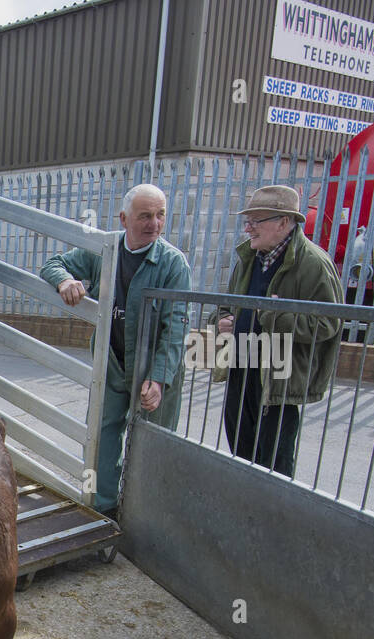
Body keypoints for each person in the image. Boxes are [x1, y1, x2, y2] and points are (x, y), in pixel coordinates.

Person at [40, 184, 192, 516]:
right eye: (145, 216)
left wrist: (160, 378)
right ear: (124, 219)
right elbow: (53, 263)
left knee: (153, 442)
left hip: (153, 365)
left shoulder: (173, 264)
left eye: (160, 215)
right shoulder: (104, 251)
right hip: (111, 361)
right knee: (103, 437)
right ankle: (103, 509)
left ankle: (145, 515)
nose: (154, 223)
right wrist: (65, 281)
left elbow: (176, 329)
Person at [215, 185, 341, 478]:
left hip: (278, 380)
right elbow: (226, 305)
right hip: (240, 367)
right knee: (240, 455)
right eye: (248, 221)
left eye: (256, 221)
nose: (248, 228)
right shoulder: (250, 257)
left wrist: (275, 316)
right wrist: (220, 320)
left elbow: (329, 324)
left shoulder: (314, 264)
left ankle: (271, 521)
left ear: (283, 222)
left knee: (274, 465)